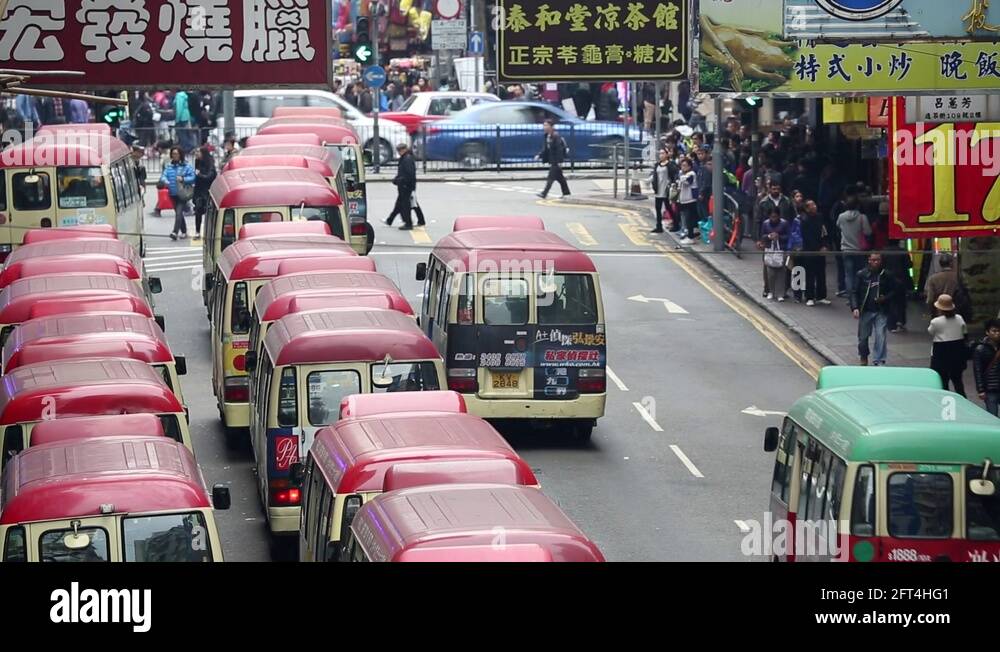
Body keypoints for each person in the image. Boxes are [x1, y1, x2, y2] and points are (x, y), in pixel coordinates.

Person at [851, 253, 898, 366]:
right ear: (869, 260)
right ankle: (863, 355)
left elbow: (894, 291)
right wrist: (855, 307)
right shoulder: (862, 274)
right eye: (873, 260)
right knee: (863, 337)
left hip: (881, 311)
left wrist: (885, 298)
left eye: (878, 260)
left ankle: (879, 359)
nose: (876, 262)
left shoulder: (887, 275)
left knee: (880, 335)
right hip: (866, 310)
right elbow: (854, 292)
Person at [927, 294, 967, 396]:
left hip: (941, 351)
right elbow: (964, 331)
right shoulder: (959, 318)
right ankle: (963, 400)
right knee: (957, 380)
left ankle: (945, 401)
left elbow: (931, 332)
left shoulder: (936, 321)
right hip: (957, 350)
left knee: (943, 380)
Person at [837, 197, 872, 302]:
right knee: (860, 273)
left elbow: (838, 226)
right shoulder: (862, 217)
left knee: (848, 274)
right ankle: (859, 296)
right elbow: (868, 232)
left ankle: (850, 298)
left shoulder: (841, 216)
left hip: (846, 249)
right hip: (859, 250)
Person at [158, 147, 195, 240]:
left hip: (182, 194)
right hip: (172, 193)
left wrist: (183, 179)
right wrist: (165, 181)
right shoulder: (169, 166)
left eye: (177, 154)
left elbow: (193, 177)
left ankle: (175, 232)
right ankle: (184, 231)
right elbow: (163, 176)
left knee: (178, 213)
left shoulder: (186, 166)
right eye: (173, 154)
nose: (175, 156)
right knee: (179, 213)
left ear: (180, 154)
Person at [799, 200, 830, 306]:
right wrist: (816, 248)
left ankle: (821, 296)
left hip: (820, 250)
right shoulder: (804, 220)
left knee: (821, 273)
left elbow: (824, 232)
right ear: (807, 209)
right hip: (809, 250)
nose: (814, 206)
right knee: (810, 274)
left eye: (814, 204)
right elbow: (806, 237)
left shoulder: (820, 217)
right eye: (812, 205)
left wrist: (825, 246)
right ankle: (810, 297)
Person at [758, 208, 790, 301]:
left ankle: (780, 294)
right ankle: (771, 292)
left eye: (775, 216)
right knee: (770, 273)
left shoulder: (785, 223)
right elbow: (762, 236)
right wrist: (769, 236)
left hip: (781, 250)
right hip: (769, 250)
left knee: (781, 273)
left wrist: (779, 237)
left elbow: (788, 236)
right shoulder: (765, 224)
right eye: (771, 216)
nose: (773, 218)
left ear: (779, 216)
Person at [385, 143, 417, 230]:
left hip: (405, 186)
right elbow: (402, 173)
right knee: (400, 204)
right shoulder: (406, 158)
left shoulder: (407, 159)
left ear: (404, 150)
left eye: (400, 150)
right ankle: (390, 220)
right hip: (404, 185)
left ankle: (408, 223)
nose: (399, 152)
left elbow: (408, 174)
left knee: (405, 205)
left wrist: (399, 180)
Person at [536, 119, 570, 200]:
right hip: (552, 160)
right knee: (560, 178)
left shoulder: (555, 136)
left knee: (550, 177)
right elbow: (546, 148)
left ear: (552, 127)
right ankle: (566, 193)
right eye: (544, 125)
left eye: (546, 125)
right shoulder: (546, 136)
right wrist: (539, 155)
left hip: (556, 160)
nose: (545, 127)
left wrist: (559, 161)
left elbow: (559, 149)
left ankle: (544, 193)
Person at [973, 319, 1000, 415]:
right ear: (987, 332)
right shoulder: (980, 349)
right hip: (990, 388)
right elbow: (978, 370)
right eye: (994, 331)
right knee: (993, 415)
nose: (997, 333)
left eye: (999, 331)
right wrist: (981, 390)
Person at [648, 147, 676, 233]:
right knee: (658, 208)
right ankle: (658, 226)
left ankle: (676, 223)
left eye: (663, 153)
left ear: (667, 154)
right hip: (658, 189)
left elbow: (673, 175)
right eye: (660, 153)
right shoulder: (657, 164)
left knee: (668, 207)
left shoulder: (670, 165)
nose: (661, 155)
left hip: (666, 189)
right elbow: (654, 176)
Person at [192, 146, 216, 241]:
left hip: (207, 192)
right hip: (198, 192)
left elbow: (210, 177)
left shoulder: (210, 164)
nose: (197, 154)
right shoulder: (197, 162)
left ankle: (211, 232)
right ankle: (197, 231)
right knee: (198, 212)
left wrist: (199, 175)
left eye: (199, 152)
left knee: (209, 213)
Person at [676, 157, 698, 244]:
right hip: (683, 199)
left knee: (689, 219)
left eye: (685, 166)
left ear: (689, 166)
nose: (683, 167)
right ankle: (687, 233)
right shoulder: (683, 174)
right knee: (685, 218)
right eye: (682, 165)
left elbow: (686, 182)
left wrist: (681, 176)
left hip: (690, 200)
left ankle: (691, 237)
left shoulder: (691, 174)